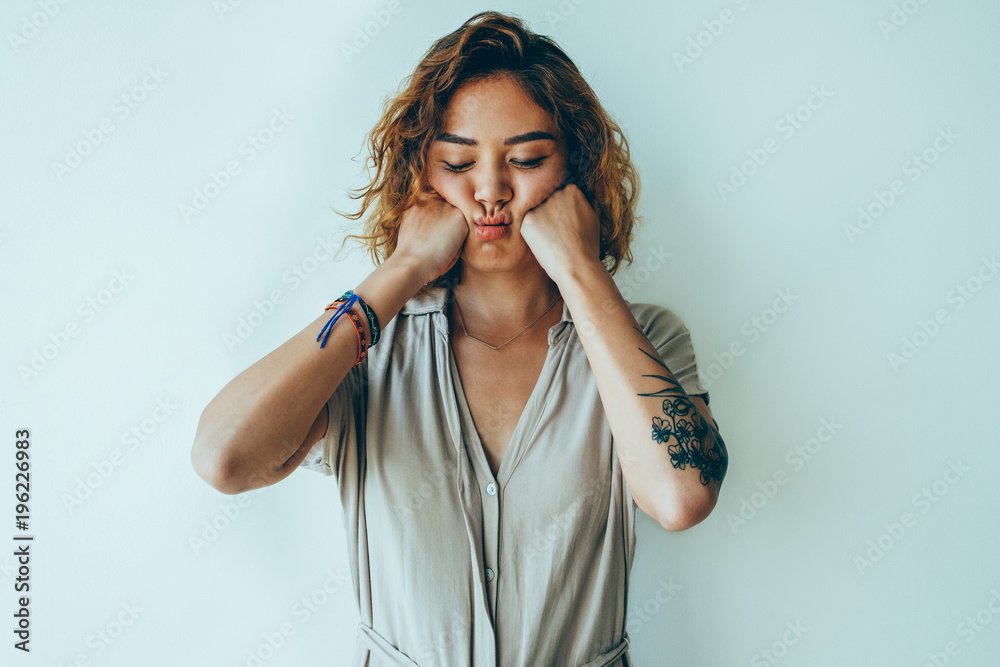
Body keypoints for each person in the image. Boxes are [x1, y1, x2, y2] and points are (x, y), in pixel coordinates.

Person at [191, 10, 728, 666]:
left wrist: (581, 271)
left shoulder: (645, 338)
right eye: (458, 161)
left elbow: (682, 496)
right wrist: (403, 269)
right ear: (422, 173)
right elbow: (223, 457)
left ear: (574, 169)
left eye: (526, 159)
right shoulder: (367, 349)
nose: (491, 191)